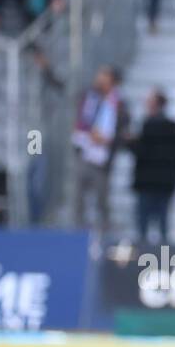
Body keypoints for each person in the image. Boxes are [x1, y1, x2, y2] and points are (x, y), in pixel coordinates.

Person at [70, 64, 125, 243]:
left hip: (102, 160)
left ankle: (106, 240)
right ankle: (79, 238)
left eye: (104, 75)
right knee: (79, 200)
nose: (99, 78)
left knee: (102, 202)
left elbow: (122, 132)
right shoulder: (89, 96)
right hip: (84, 153)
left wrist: (108, 138)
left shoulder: (118, 104)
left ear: (112, 81)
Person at [128, 89, 175, 246]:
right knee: (162, 224)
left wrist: (131, 142)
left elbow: (143, 151)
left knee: (143, 224)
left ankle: (142, 259)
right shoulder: (173, 128)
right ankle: (164, 258)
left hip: (148, 183)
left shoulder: (148, 126)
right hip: (165, 183)